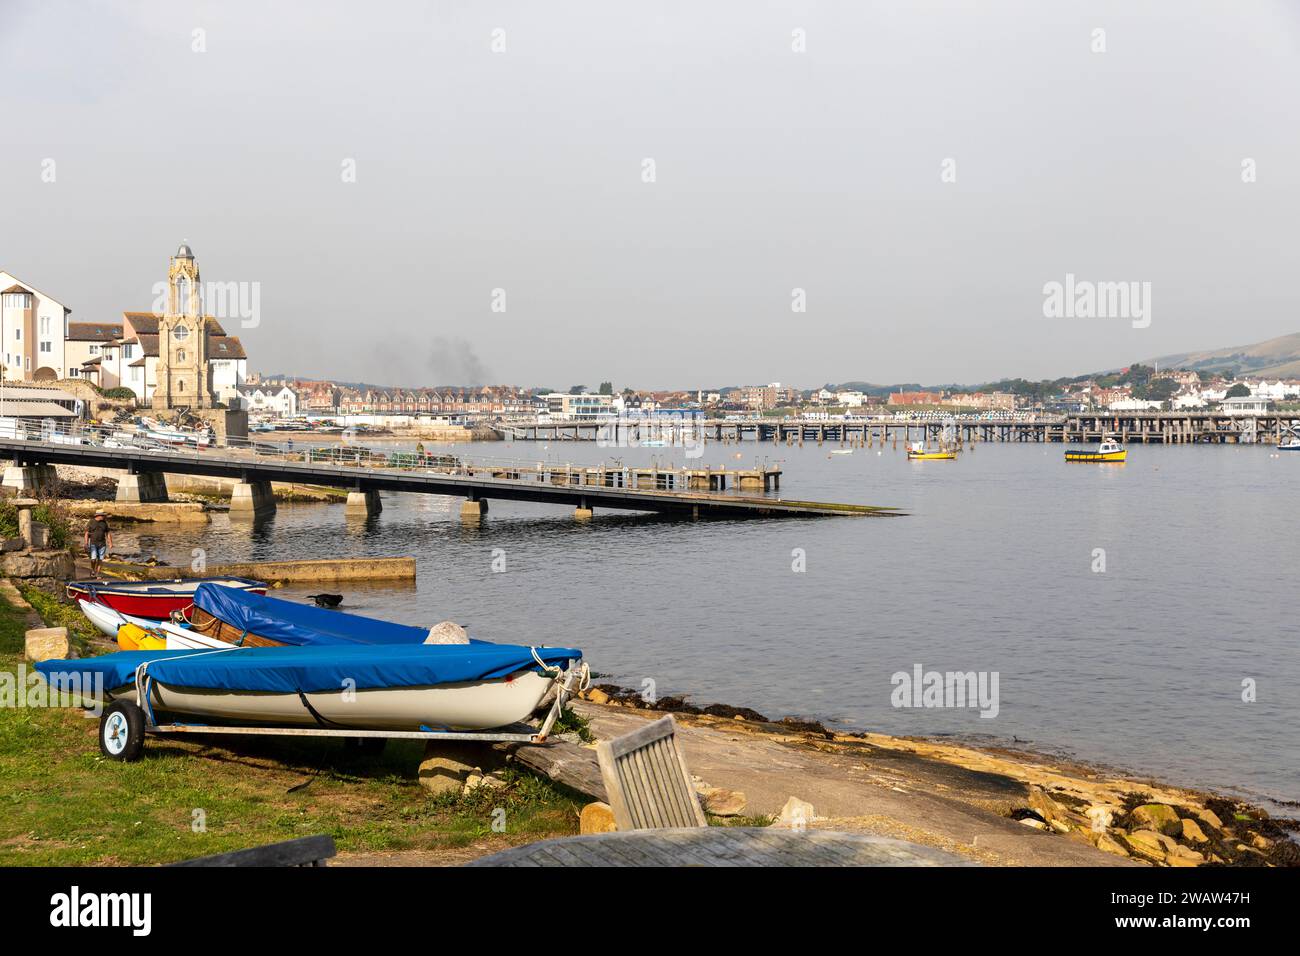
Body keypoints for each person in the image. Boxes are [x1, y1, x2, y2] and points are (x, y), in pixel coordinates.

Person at [84, 510, 112, 577]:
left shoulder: (104, 522)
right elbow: (86, 533)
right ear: (98, 516)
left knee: (100, 559)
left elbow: (108, 533)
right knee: (93, 559)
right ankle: (93, 570)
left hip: (102, 544)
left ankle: (98, 574)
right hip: (93, 543)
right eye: (102, 515)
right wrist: (86, 543)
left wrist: (110, 542)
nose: (104, 517)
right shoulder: (91, 522)